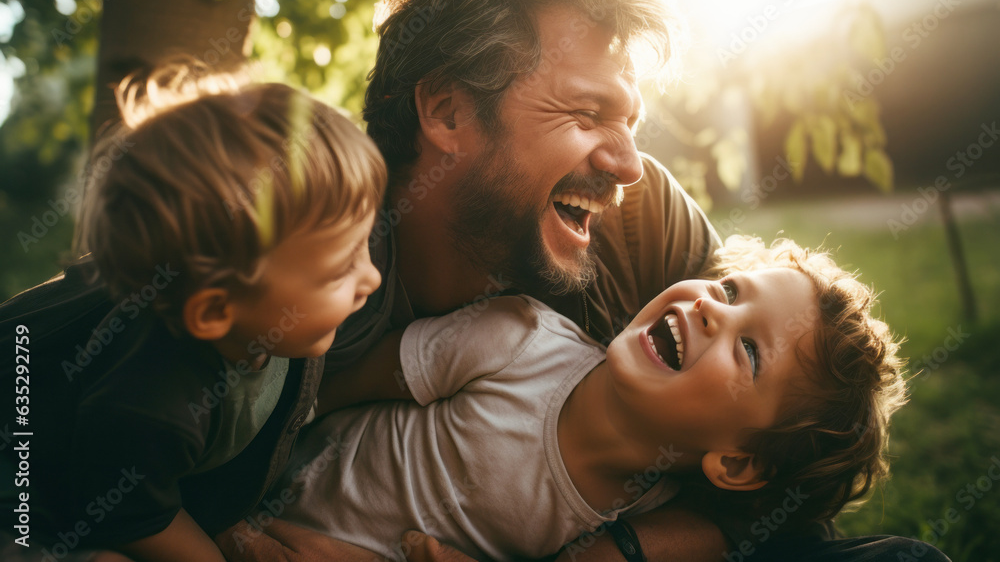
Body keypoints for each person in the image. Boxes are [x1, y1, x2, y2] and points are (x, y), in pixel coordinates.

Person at [294, 0, 947, 561]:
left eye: (631, 121)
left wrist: (616, 553)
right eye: (587, 112)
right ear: (447, 110)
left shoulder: (639, 219)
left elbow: (786, 474)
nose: (629, 165)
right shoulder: (300, 258)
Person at [231, 236, 907, 562]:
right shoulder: (516, 337)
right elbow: (325, 387)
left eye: (749, 349)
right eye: (730, 290)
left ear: (734, 463)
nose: (710, 309)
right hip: (242, 501)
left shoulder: (636, 524)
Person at [0, 65, 386, 561]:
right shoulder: (152, 391)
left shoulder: (276, 328)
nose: (371, 279)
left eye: (364, 246)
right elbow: (127, 516)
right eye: (340, 270)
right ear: (215, 311)